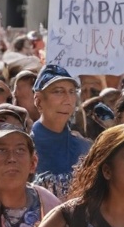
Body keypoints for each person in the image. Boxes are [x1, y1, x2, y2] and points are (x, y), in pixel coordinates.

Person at [29, 65, 88, 197]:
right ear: (38, 101)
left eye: (72, 92)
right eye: (58, 92)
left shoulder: (83, 146)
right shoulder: (25, 145)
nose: (68, 100)